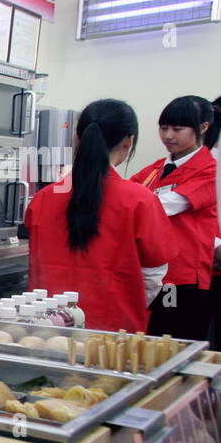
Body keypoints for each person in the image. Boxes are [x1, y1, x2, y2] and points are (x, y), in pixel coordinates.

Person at [24, 99, 173, 333]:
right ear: (128, 142)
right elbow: (153, 275)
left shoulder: (43, 199)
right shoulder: (140, 200)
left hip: (48, 329)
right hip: (113, 333)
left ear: (76, 139)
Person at [130, 95, 219, 341]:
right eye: (163, 128)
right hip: (151, 273)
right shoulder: (155, 169)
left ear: (203, 128)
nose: (168, 135)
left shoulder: (210, 170)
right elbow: (125, 196)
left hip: (182, 277)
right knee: (149, 343)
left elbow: (164, 205)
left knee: (175, 347)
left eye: (177, 129)